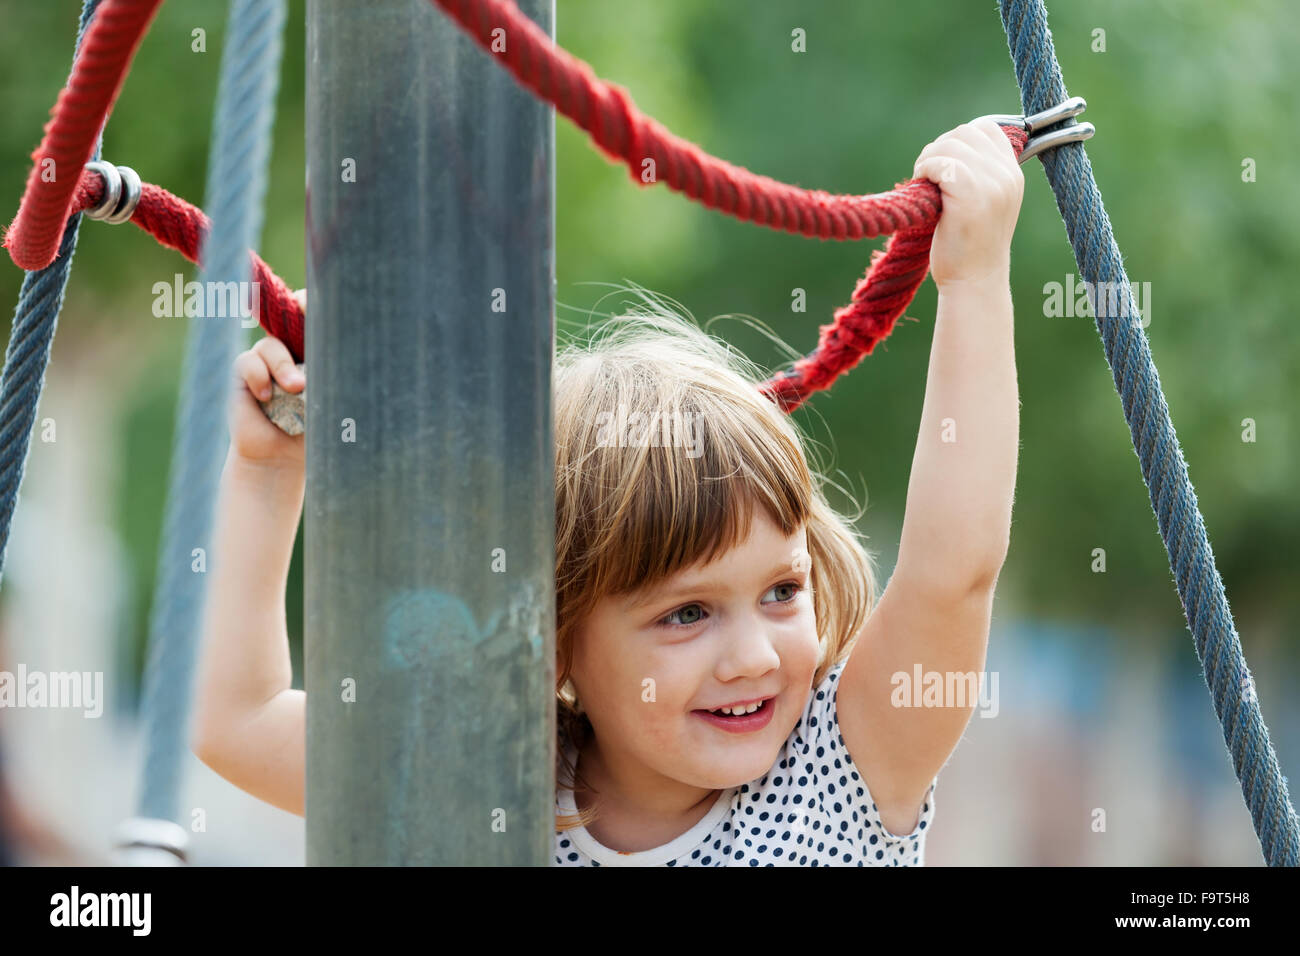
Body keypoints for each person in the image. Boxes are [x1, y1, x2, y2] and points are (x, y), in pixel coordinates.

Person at [191, 118, 1022, 866]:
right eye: (686, 614)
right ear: (553, 636)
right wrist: (269, 471)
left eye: (781, 590)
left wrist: (974, 278)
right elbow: (236, 720)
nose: (755, 657)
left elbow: (953, 576)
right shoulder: (491, 778)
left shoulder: (844, 764)